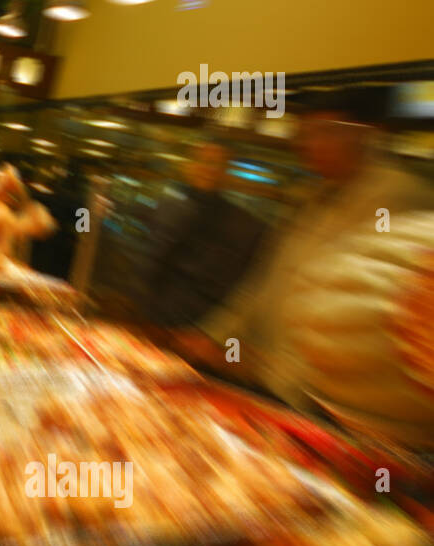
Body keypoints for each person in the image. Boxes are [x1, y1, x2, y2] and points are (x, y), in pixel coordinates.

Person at [172, 90, 434, 412]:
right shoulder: (314, 195)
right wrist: (214, 337)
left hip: (326, 405)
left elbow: (376, 330)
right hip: (264, 387)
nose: (309, 144)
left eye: (325, 131)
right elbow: (264, 285)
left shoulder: (399, 199)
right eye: (305, 133)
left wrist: (262, 367)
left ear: (368, 135)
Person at [126, 141, 266, 328]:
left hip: (198, 331)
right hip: (151, 320)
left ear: (226, 171)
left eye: (216, 163)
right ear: (188, 166)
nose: (208, 169)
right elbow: (147, 263)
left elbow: (240, 290)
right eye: (202, 160)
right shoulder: (167, 207)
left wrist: (211, 333)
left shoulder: (243, 226)